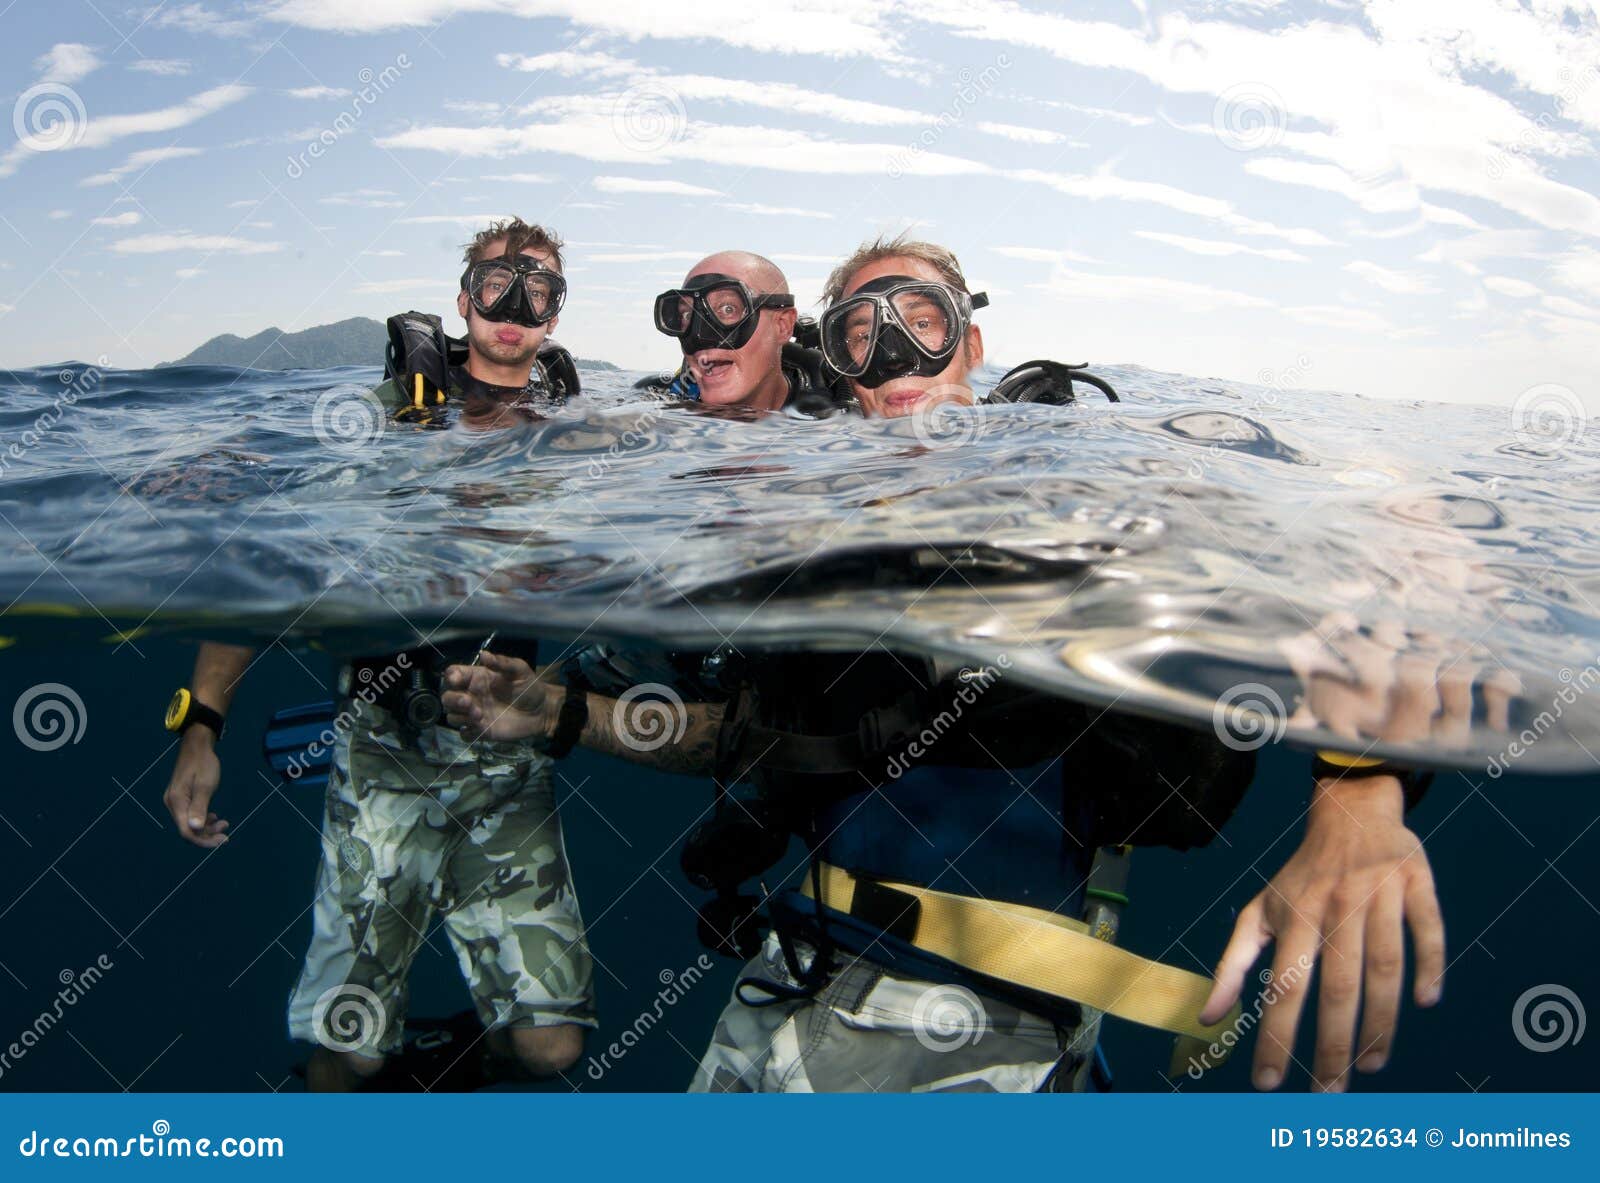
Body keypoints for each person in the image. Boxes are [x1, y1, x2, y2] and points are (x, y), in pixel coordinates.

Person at [443, 233, 1445, 1094]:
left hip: (981, 1020)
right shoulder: (819, 531)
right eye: (859, 335)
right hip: (791, 977)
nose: (892, 355)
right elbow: (756, 739)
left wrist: (1359, 793)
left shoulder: (1082, 480)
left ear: (970, 340)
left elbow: (1397, 518)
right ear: (838, 364)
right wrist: (559, 712)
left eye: (919, 320)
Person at [159, 218, 596, 1092]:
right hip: (383, 748)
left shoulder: (572, 429)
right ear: (464, 300)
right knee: (350, 1055)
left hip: (506, 759)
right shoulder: (390, 416)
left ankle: (440, 1069)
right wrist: (201, 726)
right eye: (497, 285)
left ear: (555, 314)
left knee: (552, 1048)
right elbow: (266, 559)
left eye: (537, 290)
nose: (514, 307)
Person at [642, 250, 846, 415]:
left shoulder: (835, 419)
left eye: (728, 309)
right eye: (687, 315)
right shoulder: (656, 403)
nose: (699, 336)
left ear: (782, 325)